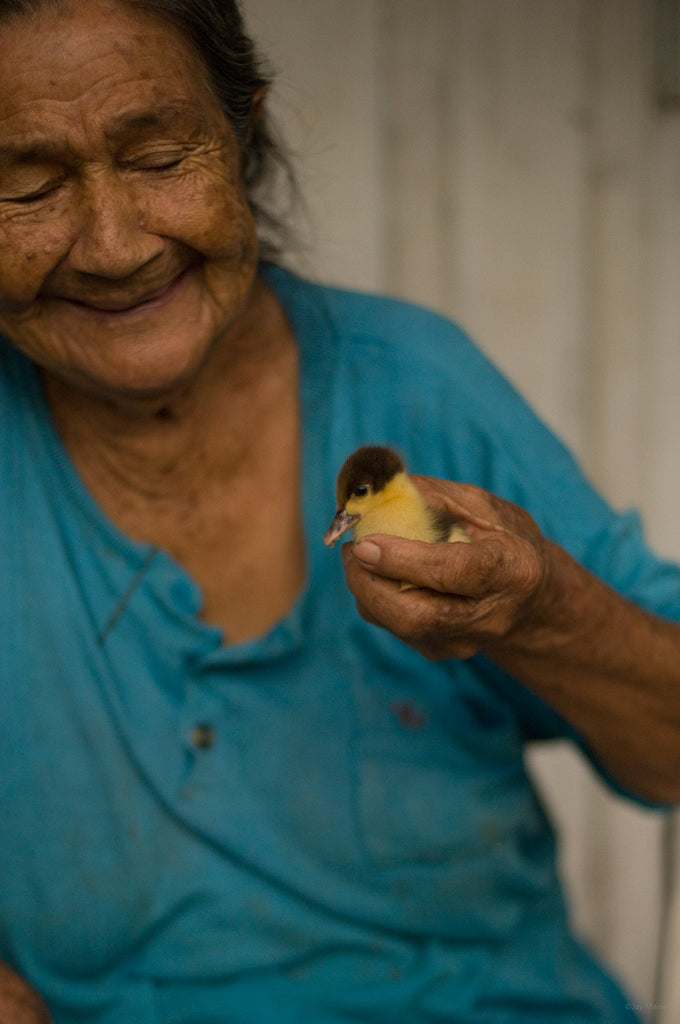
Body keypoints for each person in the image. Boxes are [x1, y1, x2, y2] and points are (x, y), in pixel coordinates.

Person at [0, 0, 678, 1021]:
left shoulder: (415, 386)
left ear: (244, 138)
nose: (111, 243)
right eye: (27, 183)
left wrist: (541, 607)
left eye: (157, 157)